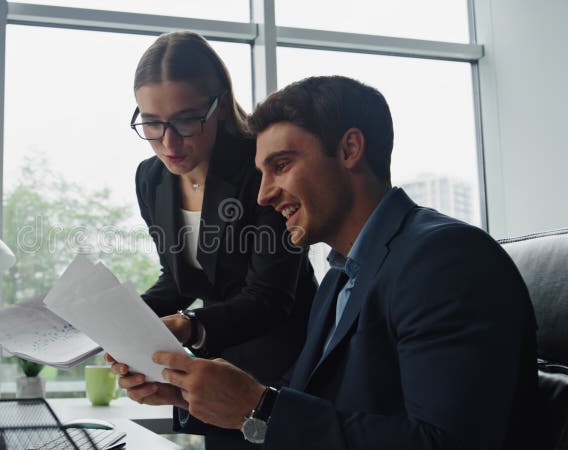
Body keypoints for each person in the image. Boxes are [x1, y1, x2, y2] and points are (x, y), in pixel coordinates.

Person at [115, 75, 537, 449]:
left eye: (281, 165)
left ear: (350, 149)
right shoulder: (340, 278)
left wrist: (259, 406)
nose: (263, 195)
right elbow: (301, 412)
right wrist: (188, 396)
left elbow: (445, 442)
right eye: (261, 173)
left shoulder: (445, 261)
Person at [127, 32, 318, 448]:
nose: (169, 142)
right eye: (153, 123)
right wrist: (120, 319)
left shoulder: (261, 168)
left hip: (290, 374)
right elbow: (181, 280)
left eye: (187, 119)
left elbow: (270, 297)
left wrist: (190, 326)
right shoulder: (152, 178)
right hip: (217, 377)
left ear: (219, 105)